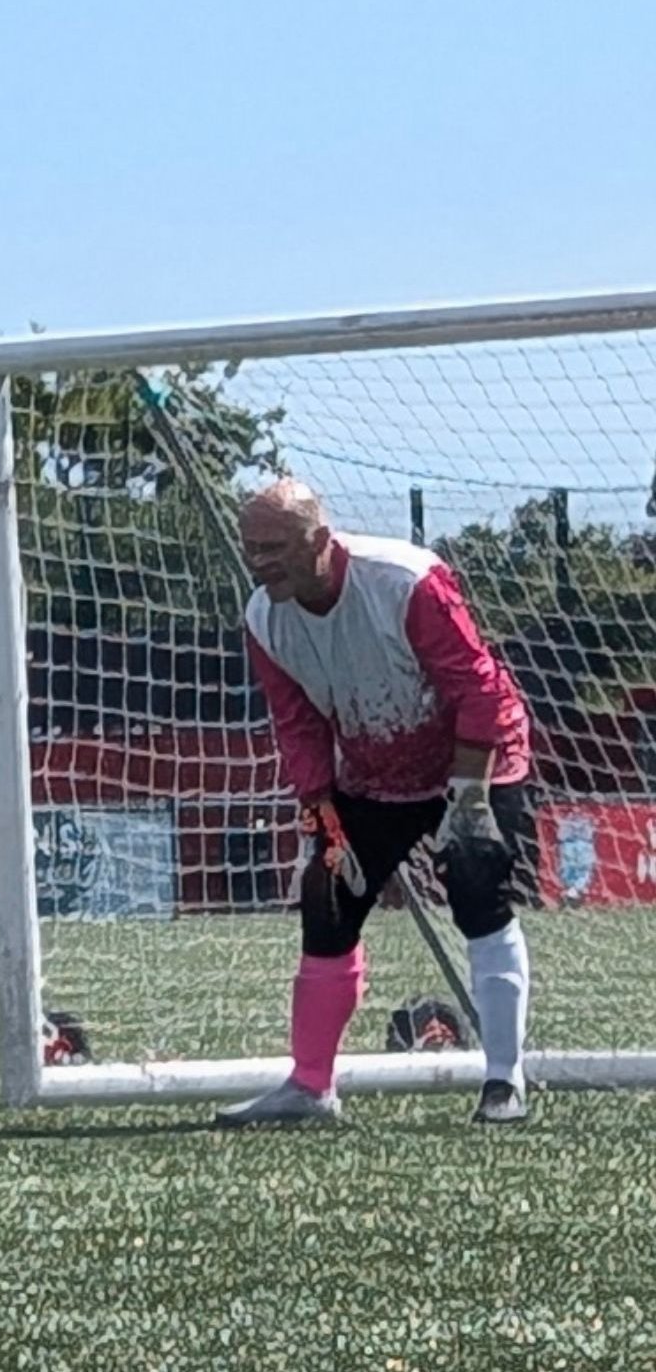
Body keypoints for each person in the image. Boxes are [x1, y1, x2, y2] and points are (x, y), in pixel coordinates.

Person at [216, 475, 540, 1129]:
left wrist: (470, 798)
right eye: (251, 546)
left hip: (473, 757)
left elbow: (479, 691)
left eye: (274, 545)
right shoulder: (262, 618)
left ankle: (505, 1079)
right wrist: (321, 816)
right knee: (327, 895)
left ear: (321, 540)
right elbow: (298, 724)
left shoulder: (405, 581)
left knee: (477, 884)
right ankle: (311, 1087)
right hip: (375, 770)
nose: (259, 561)